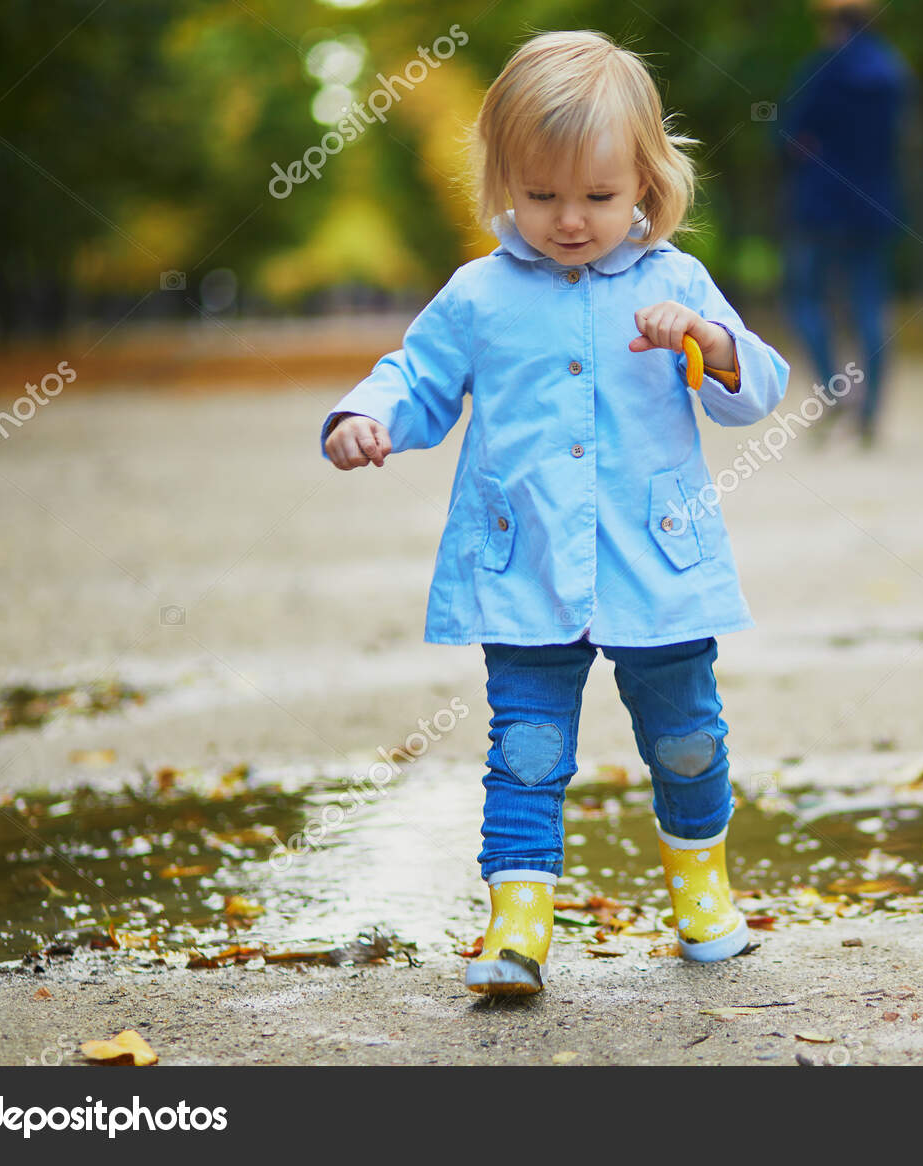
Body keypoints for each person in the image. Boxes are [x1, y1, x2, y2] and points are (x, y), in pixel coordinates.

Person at [319, 30, 790, 996]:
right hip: (525, 566)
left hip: (657, 569)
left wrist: (705, 339)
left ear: (647, 188)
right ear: (504, 183)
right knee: (526, 748)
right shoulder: (479, 295)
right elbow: (417, 378)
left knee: (689, 737)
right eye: (542, 196)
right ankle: (519, 916)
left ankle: (700, 882)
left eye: (599, 198)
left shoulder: (676, 285)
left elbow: (755, 393)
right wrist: (366, 415)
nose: (570, 221)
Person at [780, 0, 910, 446]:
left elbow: (787, 136)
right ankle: (870, 414)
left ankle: (833, 393)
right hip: (874, 205)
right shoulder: (894, 74)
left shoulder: (820, 70)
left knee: (807, 300)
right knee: (869, 307)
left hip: (820, 205)